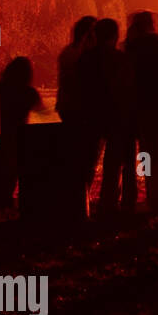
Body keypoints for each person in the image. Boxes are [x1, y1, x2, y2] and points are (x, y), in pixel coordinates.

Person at [76, 19, 137, 216]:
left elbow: (80, 88)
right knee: (113, 164)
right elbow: (128, 88)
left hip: (91, 115)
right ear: (115, 36)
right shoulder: (121, 59)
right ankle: (108, 205)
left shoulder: (85, 59)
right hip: (117, 115)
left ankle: (80, 204)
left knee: (87, 162)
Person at [125, 11, 158, 212]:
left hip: (139, 105)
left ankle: (148, 192)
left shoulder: (131, 48)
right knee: (156, 151)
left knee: (145, 153)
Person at [56, 15, 98, 198]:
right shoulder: (85, 55)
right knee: (88, 156)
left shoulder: (67, 52)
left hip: (67, 106)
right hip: (83, 109)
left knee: (74, 154)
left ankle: (74, 194)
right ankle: (82, 195)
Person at [0, 56, 42, 209]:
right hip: (21, 133)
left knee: (2, 168)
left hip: (3, 132)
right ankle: (11, 199)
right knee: (16, 169)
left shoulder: (2, 88)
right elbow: (41, 109)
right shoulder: (28, 92)